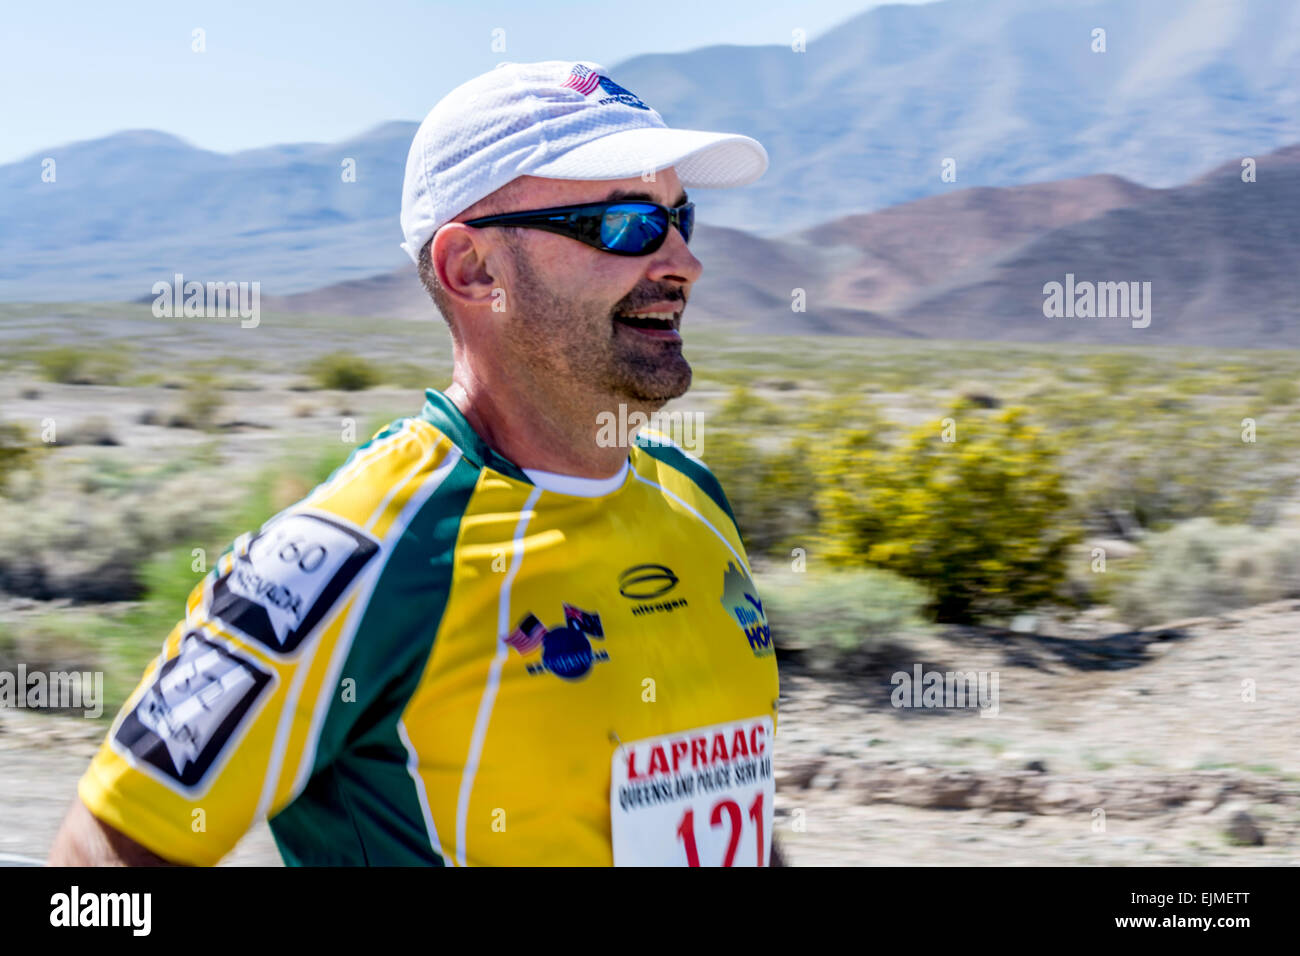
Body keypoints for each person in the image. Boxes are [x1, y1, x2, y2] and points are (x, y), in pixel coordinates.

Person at [50, 59, 781, 866]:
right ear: (472, 270)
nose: (683, 262)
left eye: (683, 219)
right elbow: (97, 870)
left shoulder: (695, 498)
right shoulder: (355, 555)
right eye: (626, 225)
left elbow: (723, 811)